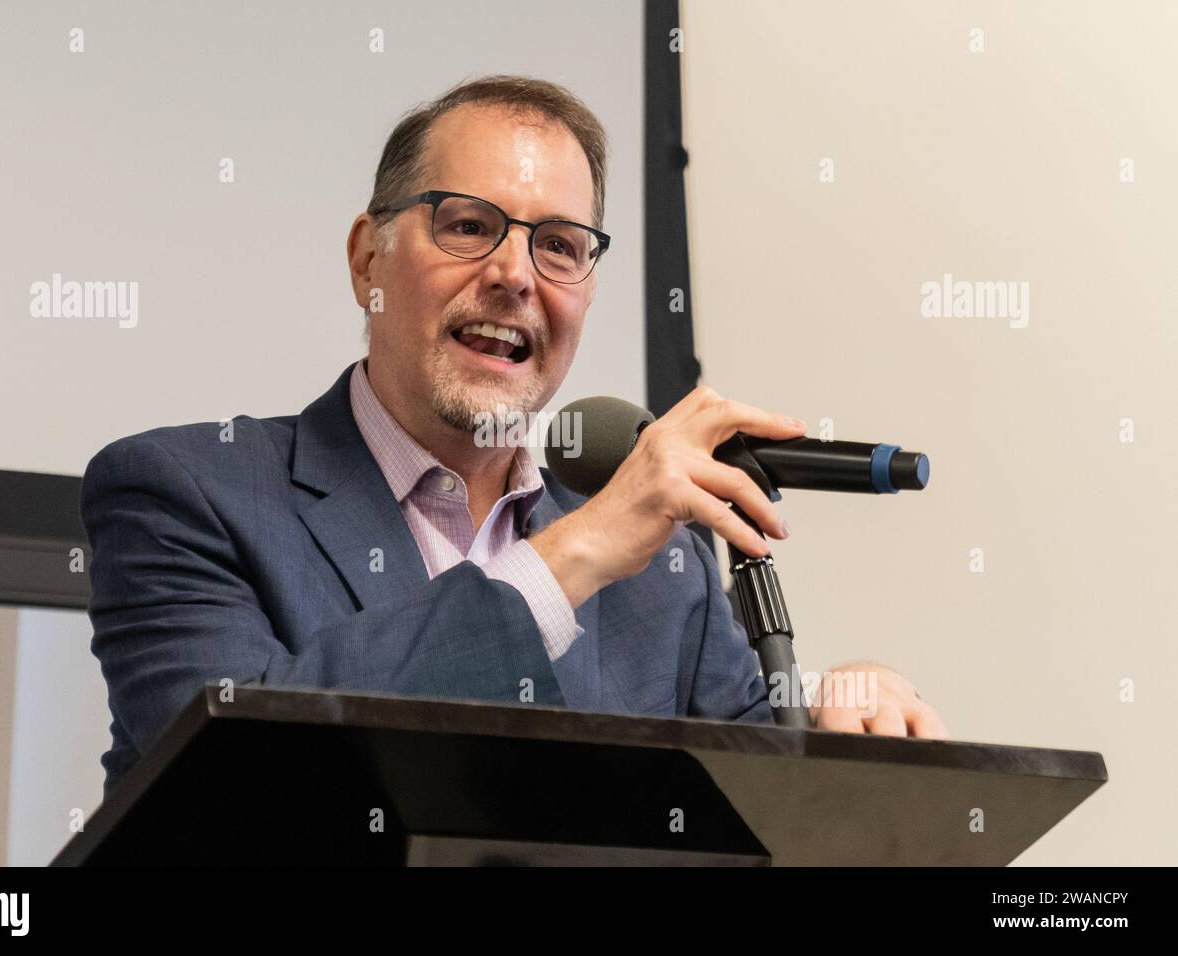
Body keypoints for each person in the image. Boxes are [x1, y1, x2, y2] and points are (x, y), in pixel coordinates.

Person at [82, 74, 946, 796]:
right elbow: (224, 780)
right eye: (467, 225)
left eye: (560, 247)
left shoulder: (666, 574)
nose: (513, 275)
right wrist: (572, 558)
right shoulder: (182, 492)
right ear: (366, 260)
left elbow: (753, 821)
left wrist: (850, 715)